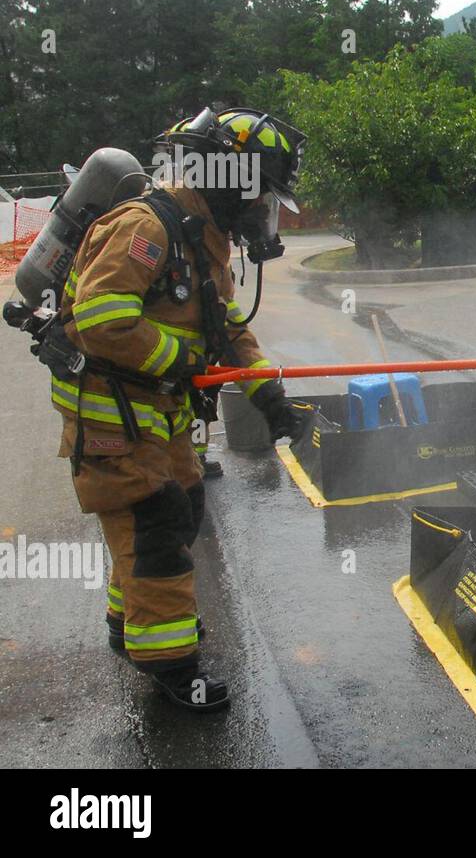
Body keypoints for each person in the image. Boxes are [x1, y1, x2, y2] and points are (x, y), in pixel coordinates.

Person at [51, 107, 313, 709]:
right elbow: (99, 317)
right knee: (156, 524)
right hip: (109, 416)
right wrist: (179, 359)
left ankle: (130, 622)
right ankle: (170, 663)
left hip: (154, 413)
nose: (263, 214)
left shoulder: (202, 237)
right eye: (260, 197)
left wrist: (270, 399)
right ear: (229, 180)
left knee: (180, 508)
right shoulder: (148, 228)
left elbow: (226, 332)